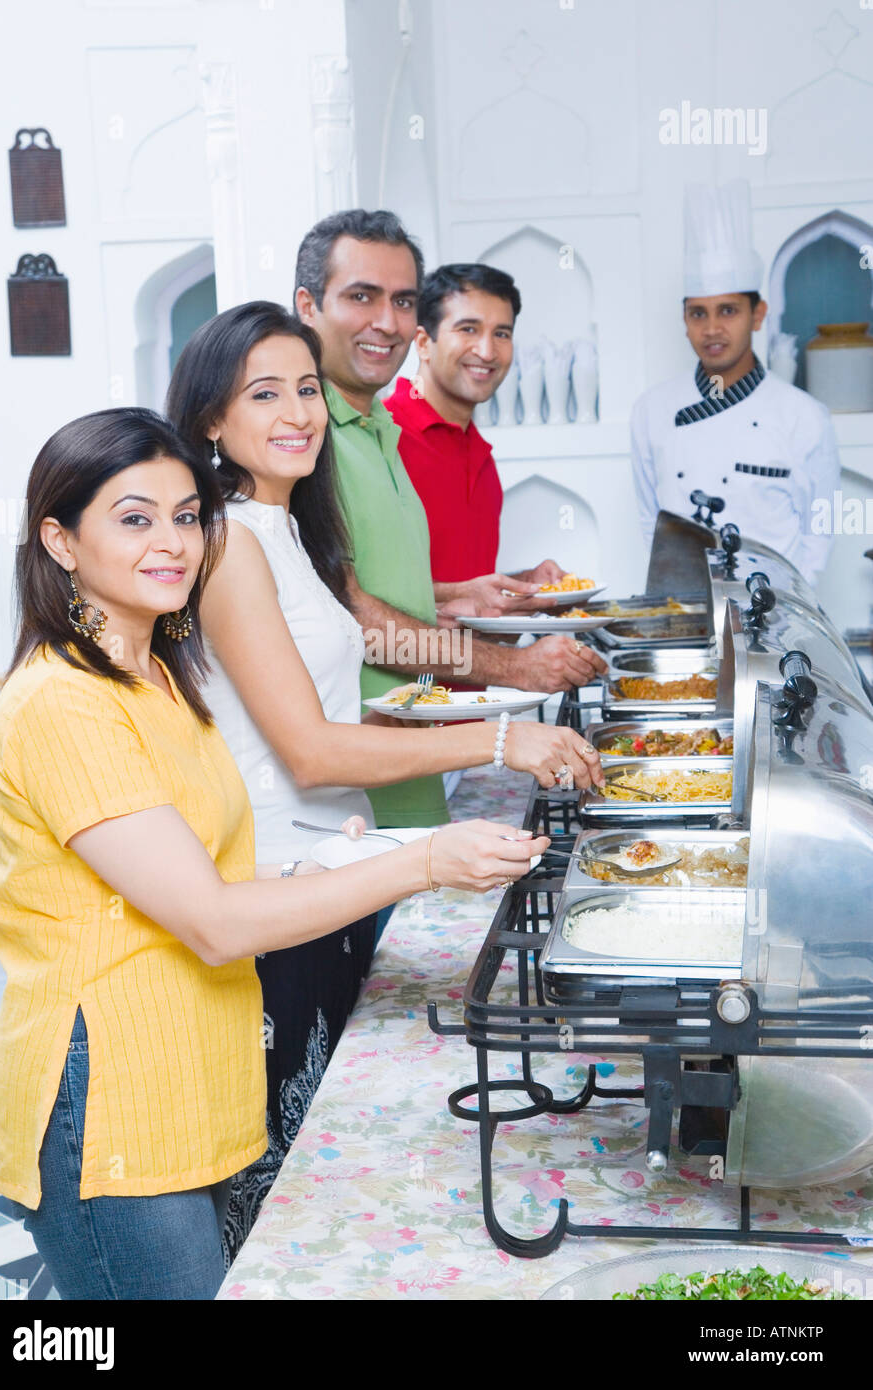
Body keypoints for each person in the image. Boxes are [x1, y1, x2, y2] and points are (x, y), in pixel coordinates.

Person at [0, 407, 550, 1300]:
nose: (172, 542)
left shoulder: (159, 674)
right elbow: (209, 922)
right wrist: (424, 861)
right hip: (112, 1101)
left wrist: (319, 867)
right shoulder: (65, 704)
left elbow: (194, 873)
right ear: (60, 539)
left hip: (189, 1068)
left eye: (186, 515)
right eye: (134, 519)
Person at [165, 303, 605, 1252]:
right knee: (285, 1192)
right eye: (265, 394)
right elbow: (311, 750)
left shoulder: (285, 531)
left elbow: (333, 705)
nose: (299, 413)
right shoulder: (233, 540)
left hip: (335, 872)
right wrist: (494, 739)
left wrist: (485, 712)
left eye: (307, 389)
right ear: (210, 420)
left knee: (329, 1163)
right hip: (277, 896)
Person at [294, 209, 607, 827]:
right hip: (353, 780)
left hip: (421, 746)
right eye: (362, 296)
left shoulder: (376, 426)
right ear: (308, 307)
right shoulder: (307, 433)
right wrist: (518, 666)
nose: (386, 321)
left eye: (402, 300)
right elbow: (356, 615)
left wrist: (475, 595)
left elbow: (370, 588)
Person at [630, 179, 839, 587]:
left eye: (728, 311)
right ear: (684, 318)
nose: (712, 329)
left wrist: (786, 612)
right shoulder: (650, 411)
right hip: (685, 613)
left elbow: (819, 533)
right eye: (698, 313)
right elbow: (647, 521)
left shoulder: (804, 416)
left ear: (757, 314)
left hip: (776, 620)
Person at [387, 262, 573, 611]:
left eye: (501, 334)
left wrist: (523, 583)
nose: (487, 352)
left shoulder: (479, 453)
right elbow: (359, 594)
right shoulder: (384, 436)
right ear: (424, 343)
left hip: (469, 664)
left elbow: (464, 587)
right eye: (468, 329)